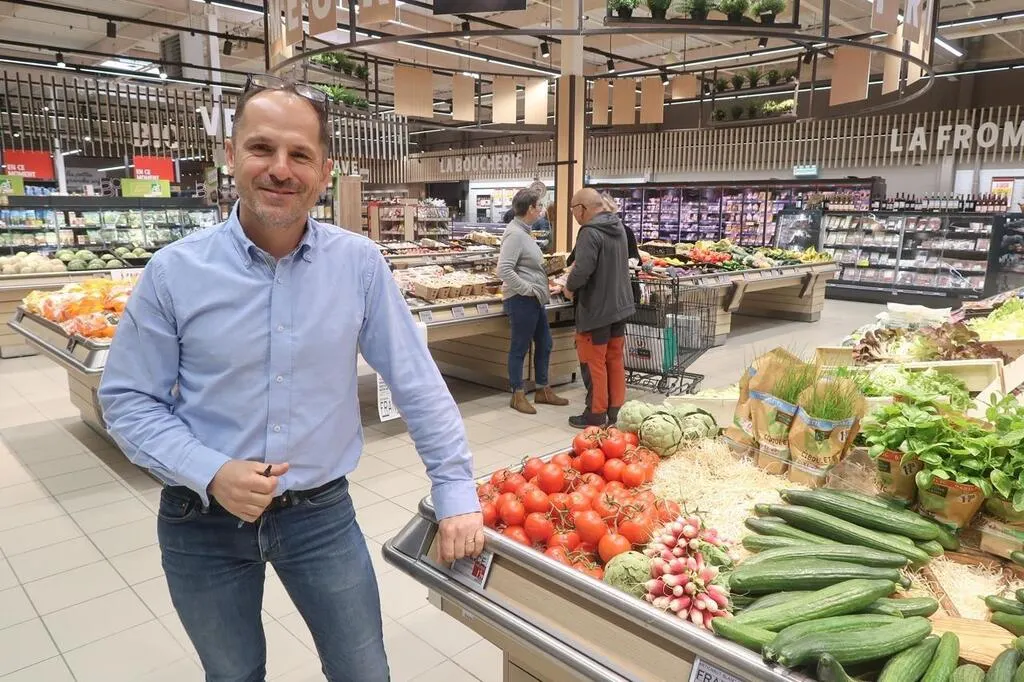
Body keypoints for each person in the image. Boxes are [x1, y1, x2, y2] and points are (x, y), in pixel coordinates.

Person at [97, 73, 482, 682]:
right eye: (262, 148)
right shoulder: (175, 273)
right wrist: (211, 471)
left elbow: (416, 381)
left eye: (300, 154)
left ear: (324, 170)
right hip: (201, 520)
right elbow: (127, 401)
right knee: (233, 674)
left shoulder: (357, 264)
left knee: (363, 671)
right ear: (231, 155)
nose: (281, 168)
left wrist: (455, 493)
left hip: (320, 516)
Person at [563, 187, 637, 428]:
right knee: (614, 360)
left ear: (583, 209)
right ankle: (615, 411)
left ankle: (595, 414)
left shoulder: (589, 232)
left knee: (594, 363)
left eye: (574, 209)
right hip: (620, 306)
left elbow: (582, 269)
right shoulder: (618, 228)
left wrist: (569, 287)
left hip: (596, 309)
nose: (574, 215)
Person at [496, 186, 569, 414]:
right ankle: (517, 394)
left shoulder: (524, 230)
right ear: (529, 208)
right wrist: (526, 288)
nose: (541, 210)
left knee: (545, 343)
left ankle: (542, 389)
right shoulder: (515, 234)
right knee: (519, 347)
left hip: (533, 299)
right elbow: (504, 269)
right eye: (538, 206)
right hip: (521, 300)